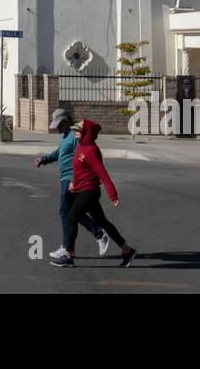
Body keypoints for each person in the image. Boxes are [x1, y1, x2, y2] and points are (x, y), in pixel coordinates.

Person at [52, 119, 137, 268]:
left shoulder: (91, 150)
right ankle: (127, 250)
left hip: (90, 191)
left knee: (71, 217)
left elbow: (102, 174)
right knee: (102, 222)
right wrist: (74, 184)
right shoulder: (80, 147)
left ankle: (68, 255)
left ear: (85, 132)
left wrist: (112, 194)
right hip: (82, 189)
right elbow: (79, 170)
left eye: (77, 131)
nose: (75, 133)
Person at [36, 108, 108, 261]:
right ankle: (98, 233)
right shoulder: (65, 135)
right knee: (73, 213)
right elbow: (60, 152)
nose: (57, 129)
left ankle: (66, 247)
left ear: (67, 120)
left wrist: (76, 181)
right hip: (67, 178)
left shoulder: (76, 135)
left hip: (71, 179)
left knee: (66, 212)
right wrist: (45, 159)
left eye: (59, 125)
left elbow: (81, 157)